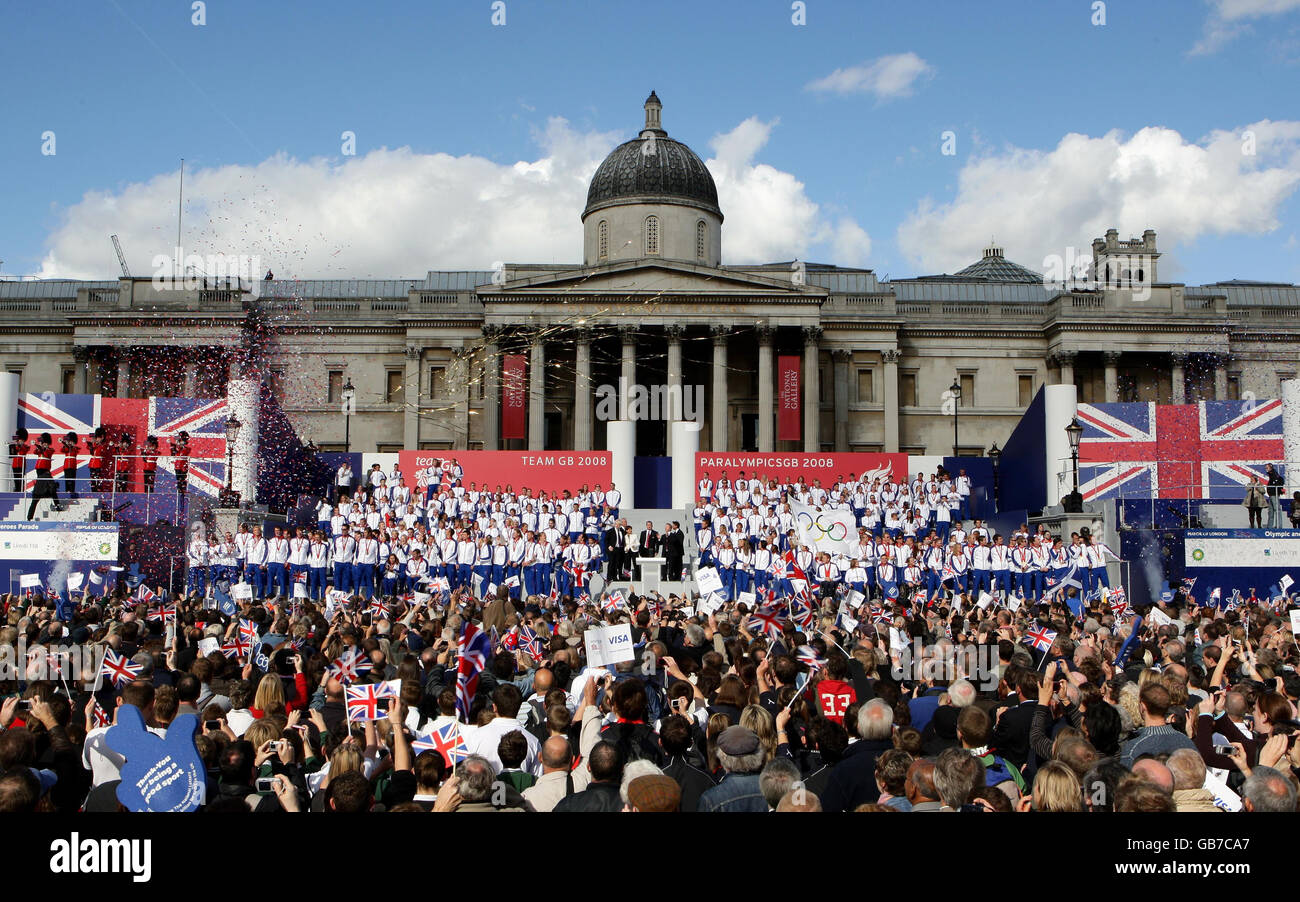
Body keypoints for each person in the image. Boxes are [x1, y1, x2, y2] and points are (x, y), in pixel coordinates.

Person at [26, 432, 62, 519]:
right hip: (39, 472)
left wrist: (43, 448)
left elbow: (46, 452)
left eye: (45, 442)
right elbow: (36, 451)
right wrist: (39, 445)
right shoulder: (40, 450)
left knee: (52, 490)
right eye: (43, 442)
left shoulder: (50, 450)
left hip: (46, 472)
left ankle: (58, 507)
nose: (44, 444)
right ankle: (29, 517)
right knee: (36, 496)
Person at [1265, 463, 1285, 529]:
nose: (1266, 469)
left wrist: (1278, 490)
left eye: (1267, 467)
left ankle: (1279, 525)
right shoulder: (1271, 474)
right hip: (1271, 494)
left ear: (1271, 467)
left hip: (1274, 494)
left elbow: (1278, 481)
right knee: (1271, 511)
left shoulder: (1274, 474)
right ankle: (1270, 526)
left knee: (1277, 510)